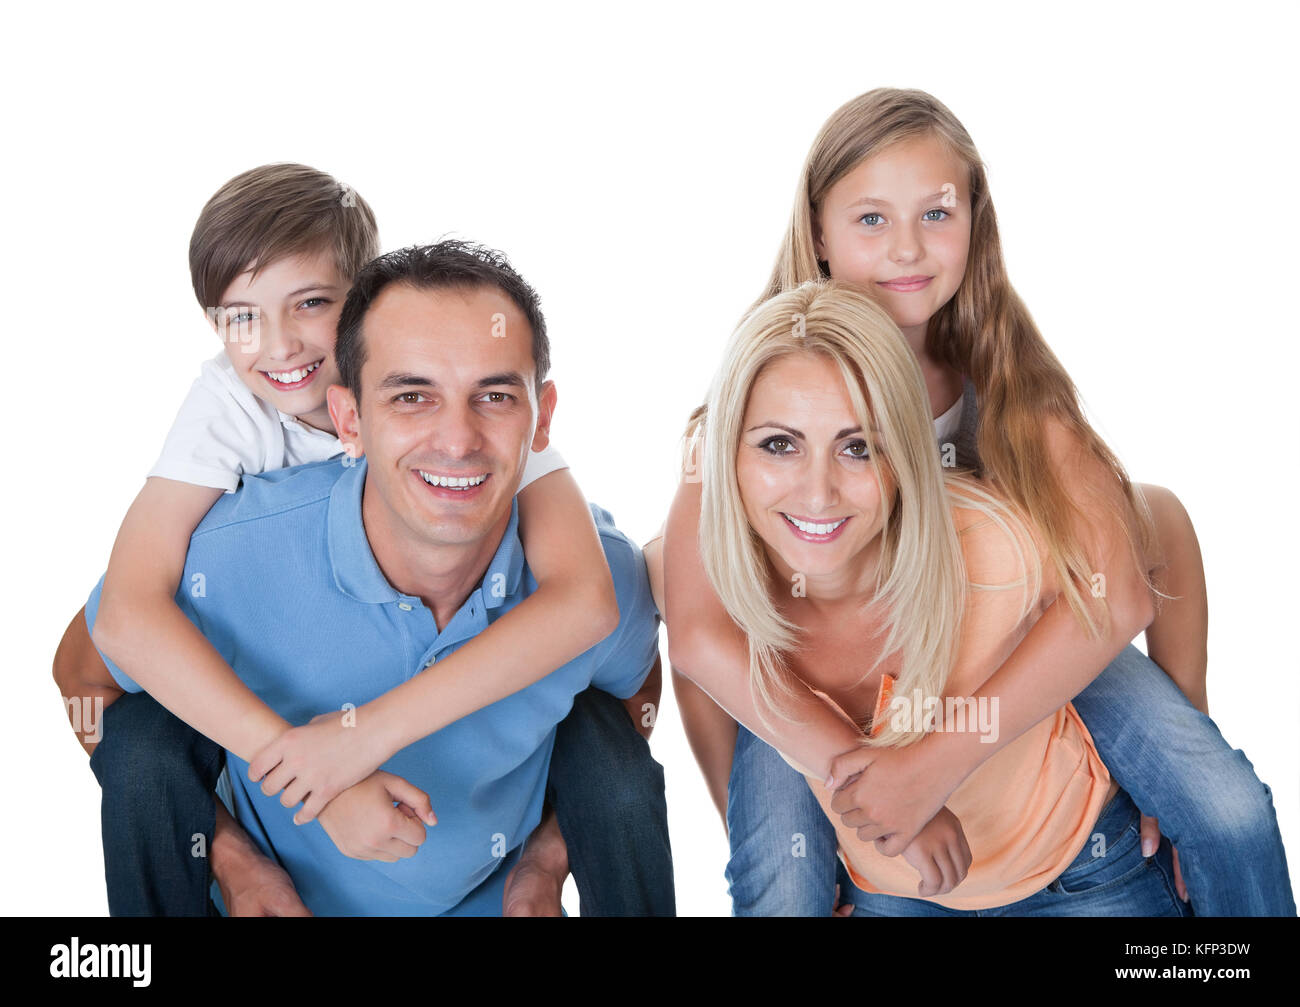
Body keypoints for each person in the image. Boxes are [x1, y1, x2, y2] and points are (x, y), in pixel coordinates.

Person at [664, 88, 1292, 916]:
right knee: (780, 880)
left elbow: (1145, 541)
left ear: (975, 219)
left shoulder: (1009, 384)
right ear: (816, 230)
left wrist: (1175, 740)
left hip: (1010, 650)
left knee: (1226, 810)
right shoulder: (761, 387)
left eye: (936, 213)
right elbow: (700, 631)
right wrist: (839, 778)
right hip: (827, 677)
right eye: (870, 220)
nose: (907, 251)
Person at [56, 239, 668, 916]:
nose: (457, 440)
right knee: (145, 740)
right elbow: (87, 678)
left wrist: (549, 859)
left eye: (494, 396)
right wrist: (233, 861)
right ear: (349, 418)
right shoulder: (230, 556)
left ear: (542, 416)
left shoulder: (595, 571)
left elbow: (631, 689)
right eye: (412, 396)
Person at [663, 279, 1187, 914]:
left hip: (1080, 873)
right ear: (724, 460)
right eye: (779, 444)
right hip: (894, 893)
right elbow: (692, 646)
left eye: (858, 447)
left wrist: (1180, 769)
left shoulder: (992, 548)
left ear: (906, 454)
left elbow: (1158, 526)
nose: (818, 492)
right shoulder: (712, 574)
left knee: (1230, 819)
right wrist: (870, 790)